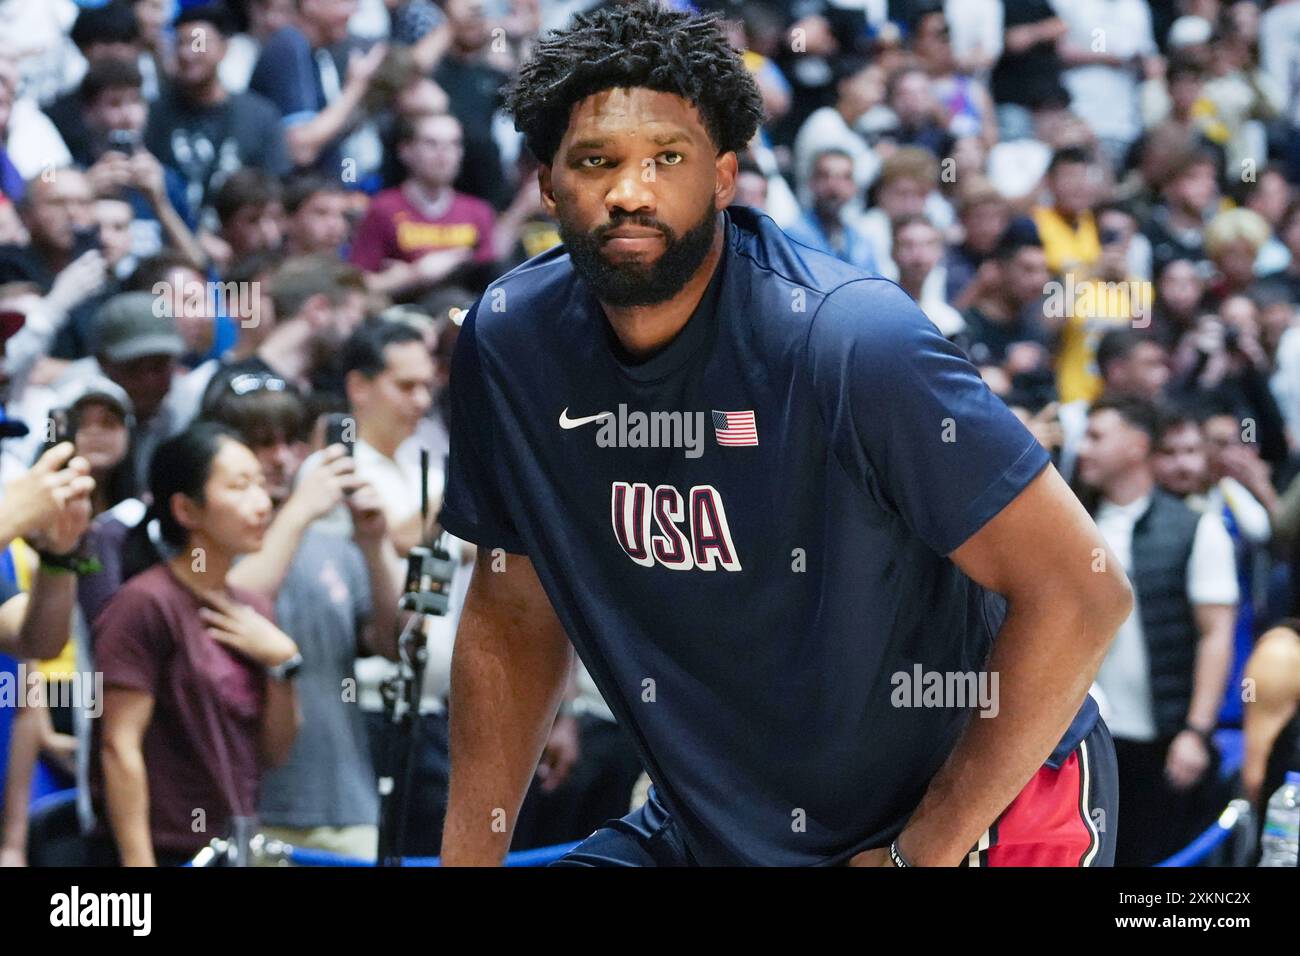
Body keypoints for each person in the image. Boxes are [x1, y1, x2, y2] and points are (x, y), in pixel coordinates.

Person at [438, 2, 1131, 868]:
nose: (629, 191)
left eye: (667, 159)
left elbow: (1084, 592)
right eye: (595, 162)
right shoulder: (509, 340)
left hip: (983, 802)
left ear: (724, 177)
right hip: (736, 810)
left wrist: (919, 855)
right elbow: (512, 607)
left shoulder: (850, 342)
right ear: (545, 183)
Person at [203, 378, 399, 859]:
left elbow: (395, 644)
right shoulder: (200, 550)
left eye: (292, 440)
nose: (281, 458)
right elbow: (235, 600)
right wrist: (299, 511)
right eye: (260, 442)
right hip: (246, 811)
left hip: (345, 805)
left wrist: (375, 546)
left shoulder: (332, 545)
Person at [91, 422, 300, 866]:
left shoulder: (254, 611)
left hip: (233, 852)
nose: (261, 503)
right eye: (240, 487)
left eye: (261, 485)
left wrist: (284, 662)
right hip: (163, 853)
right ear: (186, 510)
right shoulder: (144, 604)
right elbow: (118, 746)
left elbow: (274, 753)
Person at [1075, 396, 1237, 866]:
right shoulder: (1073, 524)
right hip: (1087, 740)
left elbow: (1216, 634)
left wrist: (1195, 730)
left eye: (1097, 436)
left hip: (1165, 741)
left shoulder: (1194, 528)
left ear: (1136, 445)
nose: (1083, 449)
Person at [349, 112, 491, 299]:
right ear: (405, 151)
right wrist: (415, 275)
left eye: (453, 144)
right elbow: (354, 288)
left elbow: (495, 281)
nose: (443, 154)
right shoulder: (382, 209)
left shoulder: (478, 211)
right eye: (431, 144)